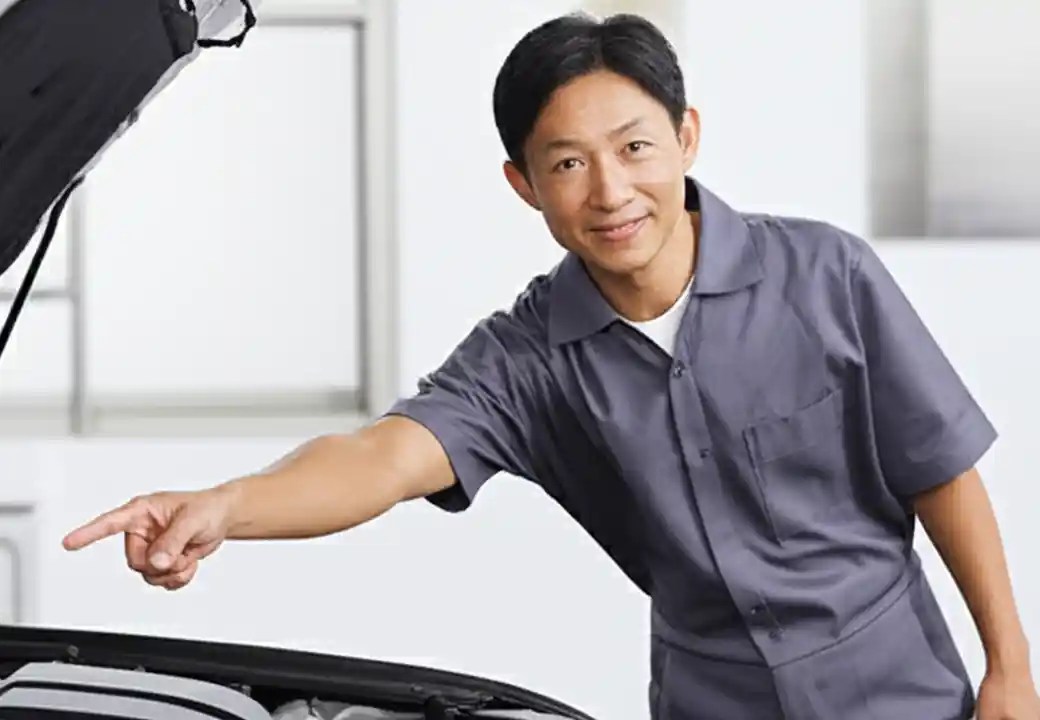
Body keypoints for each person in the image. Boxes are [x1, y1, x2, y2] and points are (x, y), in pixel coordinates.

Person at [62, 12, 1038, 719]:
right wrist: (225, 507)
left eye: (633, 147)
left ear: (684, 137)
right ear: (522, 185)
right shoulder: (527, 358)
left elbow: (938, 469)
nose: (610, 191)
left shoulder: (824, 274)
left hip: (903, 694)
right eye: (566, 163)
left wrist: (1008, 669)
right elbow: (378, 461)